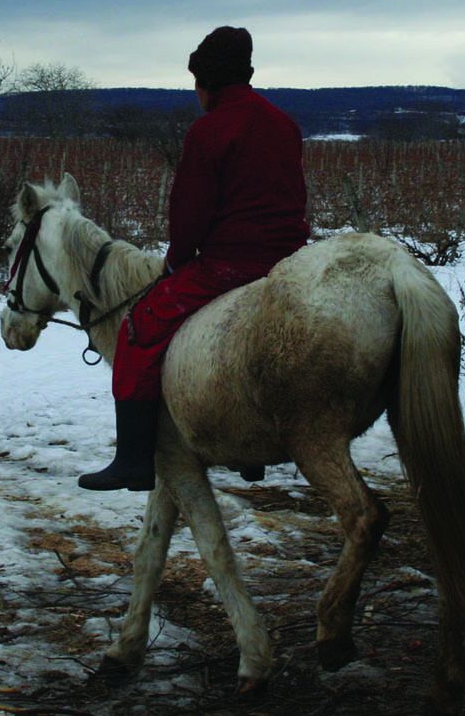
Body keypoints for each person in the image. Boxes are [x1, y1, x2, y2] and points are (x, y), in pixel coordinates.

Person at [79, 26, 309, 491]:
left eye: (197, 83)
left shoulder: (210, 130)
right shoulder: (284, 124)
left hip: (232, 263)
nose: (196, 93)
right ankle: (252, 455)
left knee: (140, 328)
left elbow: (190, 211)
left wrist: (176, 261)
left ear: (208, 81)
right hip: (288, 261)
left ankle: (133, 460)